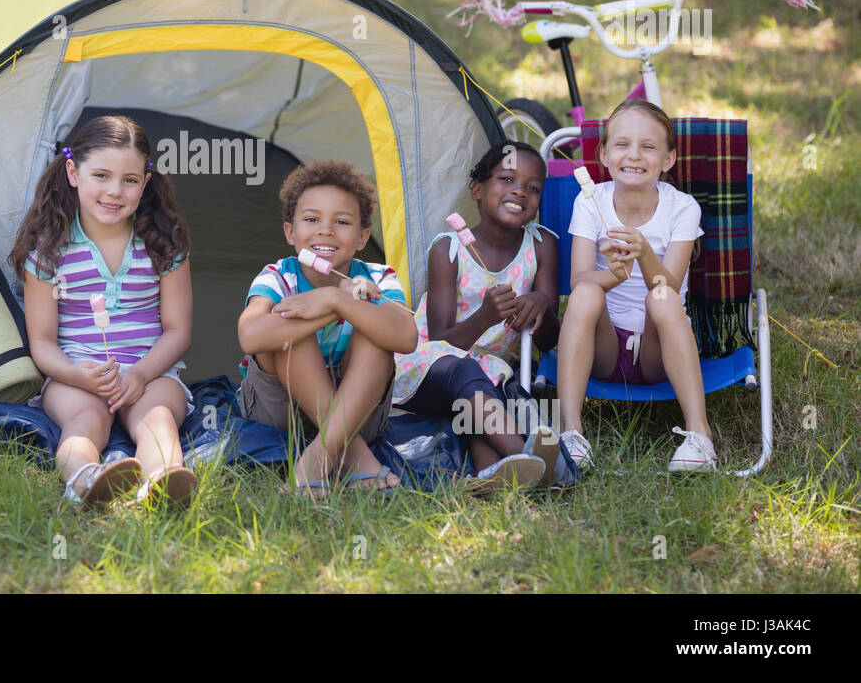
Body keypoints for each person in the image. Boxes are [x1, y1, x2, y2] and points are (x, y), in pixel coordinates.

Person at [11, 116, 197, 507]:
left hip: (150, 370)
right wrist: (77, 374)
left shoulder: (163, 244)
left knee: (158, 417)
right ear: (73, 172)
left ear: (144, 184)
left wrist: (140, 374)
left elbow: (178, 330)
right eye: (101, 175)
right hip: (76, 372)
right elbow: (42, 342)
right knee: (85, 422)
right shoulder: (49, 250)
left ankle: (160, 482)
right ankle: (84, 478)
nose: (115, 191)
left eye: (129, 180)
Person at [237, 161, 418, 495]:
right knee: (289, 328)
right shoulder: (279, 276)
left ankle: (319, 456)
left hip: (358, 408)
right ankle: (355, 455)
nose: (326, 231)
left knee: (376, 329)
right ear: (290, 232)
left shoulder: (377, 277)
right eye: (311, 219)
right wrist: (326, 305)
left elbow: (406, 337)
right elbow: (251, 336)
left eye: (342, 222)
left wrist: (341, 302)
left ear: (363, 236)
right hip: (280, 409)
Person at [557, 98, 716, 472]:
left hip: (658, 353)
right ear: (604, 154)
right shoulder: (589, 201)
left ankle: (700, 436)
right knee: (586, 292)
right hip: (600, 349)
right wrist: (612, 275)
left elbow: (670, 286)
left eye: (648, 147)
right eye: (623, 144)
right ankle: (570, 432)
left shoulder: (683, 208)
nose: (634, 156)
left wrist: (643, 253)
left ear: (668, 159)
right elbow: (578, 281)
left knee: (661, 297)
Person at [394, 142, 561, 489]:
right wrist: (484, 318)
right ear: (477, 189)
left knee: (487, 390)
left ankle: (491, 478)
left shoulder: (542, 245)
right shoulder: (449, 250)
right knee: (470, 371)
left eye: (533, 187)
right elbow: (442, 341)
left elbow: (550, 339)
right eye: (506, 179)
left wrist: (541, 305)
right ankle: (532, 461)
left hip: (489, 373)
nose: (520, 190)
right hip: (427, 364)